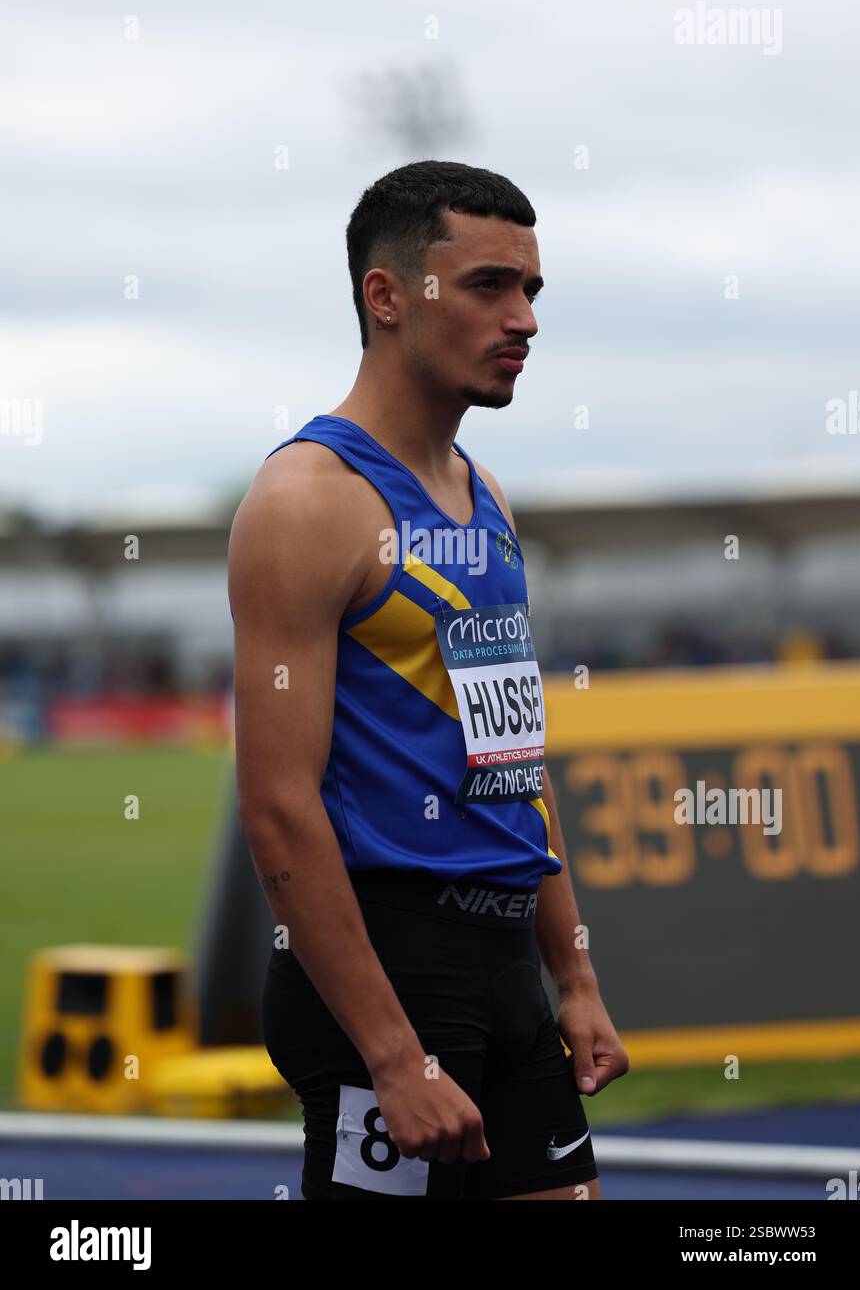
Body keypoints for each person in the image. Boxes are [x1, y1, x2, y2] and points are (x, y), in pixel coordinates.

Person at [228, 160, 628, 1200]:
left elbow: (510, 766)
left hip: (504, 967)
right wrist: (394, 1055)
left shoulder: (483, 495)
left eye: (531, 291)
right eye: (491, 285)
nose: (525, 319)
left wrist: (571, 976)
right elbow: (277, 807)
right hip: (386, 965)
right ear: (388, 296)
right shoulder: (307, 500)